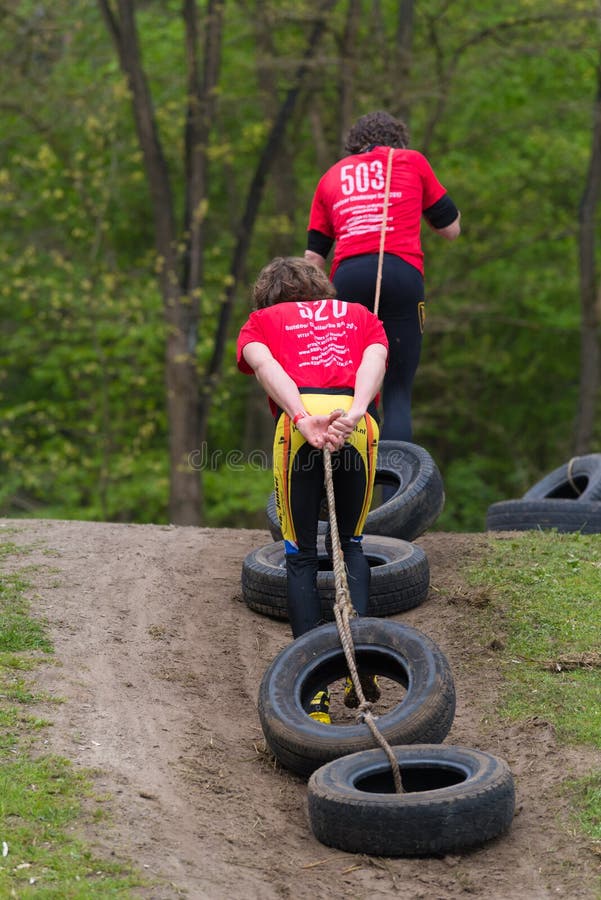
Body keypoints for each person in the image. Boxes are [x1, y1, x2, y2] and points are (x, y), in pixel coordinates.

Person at [237, 257, 388, 724]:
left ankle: (314, 693)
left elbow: (264, 367)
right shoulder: (361, 315)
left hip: (302, 426)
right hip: (355, 424)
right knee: (351, 544)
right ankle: (357, 661)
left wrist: (302, 418)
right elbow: (375, 359)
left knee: (301, 555)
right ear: (322, 287)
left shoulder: (261, 321)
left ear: (266, 296)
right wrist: (357, 411)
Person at [305, 109, 461, 444]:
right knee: (397, 390)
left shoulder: (331, 176)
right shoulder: (411, 162)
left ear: (353, 146)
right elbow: (451, 229)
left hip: (346, 278)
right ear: (399, 141)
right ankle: (398, 493)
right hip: (401, 272)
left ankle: (360, 484)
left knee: (357, 387)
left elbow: (312, 259)